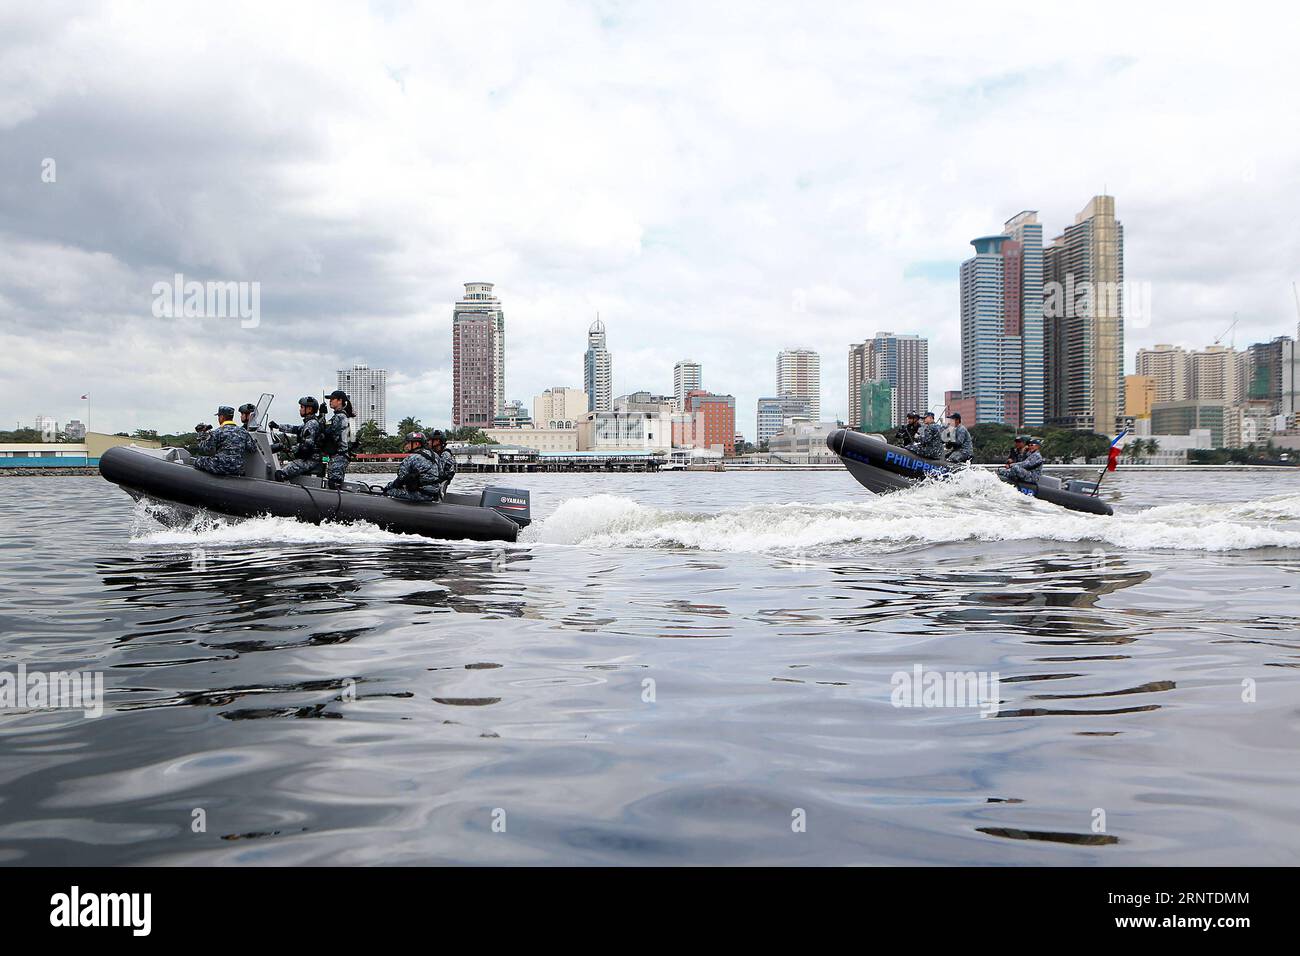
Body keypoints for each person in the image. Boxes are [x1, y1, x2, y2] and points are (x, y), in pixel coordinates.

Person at [271, 396, 325, 481]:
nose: (300, 409)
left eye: (302, 407)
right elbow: (294, 429)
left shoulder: (311, 424)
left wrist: (290, 448)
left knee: (280, 474)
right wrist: (278, 426)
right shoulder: (308, 423)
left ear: (309, 409)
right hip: (307, 458)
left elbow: (308, 445)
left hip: (310, 460)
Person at [192, 406, 256, 476]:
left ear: (222, 417)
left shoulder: (217, 432)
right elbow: (252, 448)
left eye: (219, 416)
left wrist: (201, 433)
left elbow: (205, 450)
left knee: (198, 460)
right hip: (237, 468)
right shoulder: (243, 431)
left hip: (221, 467)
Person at [383, 432, 443, 502]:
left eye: (408, 443)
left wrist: (388, 487)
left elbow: (400, 479)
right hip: (435, 494)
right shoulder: (435, 455)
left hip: (422, 495)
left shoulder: (411, 458)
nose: (406, 445)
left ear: (416, 444)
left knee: (391, 491)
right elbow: (441, 474)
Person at [318, 389, 357, 489]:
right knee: (333, 483)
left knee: (334, 484)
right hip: (337, 456)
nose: (330, 401)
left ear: (340, 401)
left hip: (339, 456)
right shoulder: (341, 416)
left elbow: (325, 431)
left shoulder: (340, 417)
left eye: (332, 399)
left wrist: (321, 415)